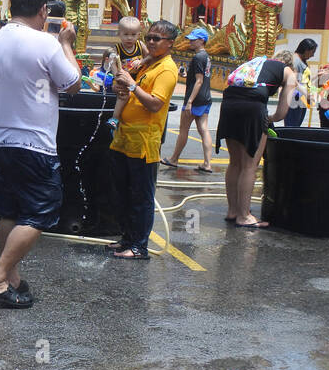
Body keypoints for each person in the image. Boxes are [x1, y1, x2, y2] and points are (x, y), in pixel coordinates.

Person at [0, 0, 81, 306]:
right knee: (39, 212)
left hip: (0, 139)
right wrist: (66, 44)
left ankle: (12, 277)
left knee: (11, 210)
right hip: (34, 143)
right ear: (42, 10)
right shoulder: (45, 43)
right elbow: (73, 84)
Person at [106, 20, 181, 260]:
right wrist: (122, 86)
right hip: (125, 137)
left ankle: (139, 246)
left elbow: (155, 104)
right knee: (123, 192)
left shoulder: (167, 69)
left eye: (156, 39)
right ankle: (127, 238)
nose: (150, 42)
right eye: (148, 37)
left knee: (141, 196)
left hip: (144, 141)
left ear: (170, 44)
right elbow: (126, 86)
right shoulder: (150, 63)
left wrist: (132, 85)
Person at [215, 50, 296, 229]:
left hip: (228, 104)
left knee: (235, 163)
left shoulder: (255, 64)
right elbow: (282, 113)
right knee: (250, 165)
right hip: (252, 108)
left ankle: (233, 211)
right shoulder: (289, 73)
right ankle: (244, 216)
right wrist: (269, 119)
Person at [162, 26, 213, 174]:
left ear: (202, 41)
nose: (190, 42)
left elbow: (198, 81)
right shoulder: (206, 56)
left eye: (193, 40)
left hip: (195, 98)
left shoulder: (198, 57)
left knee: (183, 129)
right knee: (203, 129)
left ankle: (174, 159)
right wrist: (185, 76)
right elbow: (199, 77)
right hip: (206, 97)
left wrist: (190, 101)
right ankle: (207, 163)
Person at [107, 17, 147, 131]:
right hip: (123, 79)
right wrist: (117, 75)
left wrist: (141, 61)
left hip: (137, 78)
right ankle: (114, 119)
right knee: (124, 95)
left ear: (139, 34)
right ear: (119, 34)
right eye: (126, 34)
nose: (129, 38)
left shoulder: (140, 45)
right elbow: (112, 63)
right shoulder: (117, 48)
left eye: (133, 35)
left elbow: (149, 57)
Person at [285, 37, 318, 128]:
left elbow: (303, 81)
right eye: (312, 52)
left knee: (295, 125)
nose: (313, 55)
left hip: (301, 98)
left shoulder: (301, 61)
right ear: (306, 50)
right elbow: (293, 82)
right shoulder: (296, 62)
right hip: (295, 99)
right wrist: (305, 94)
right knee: (292, 126)